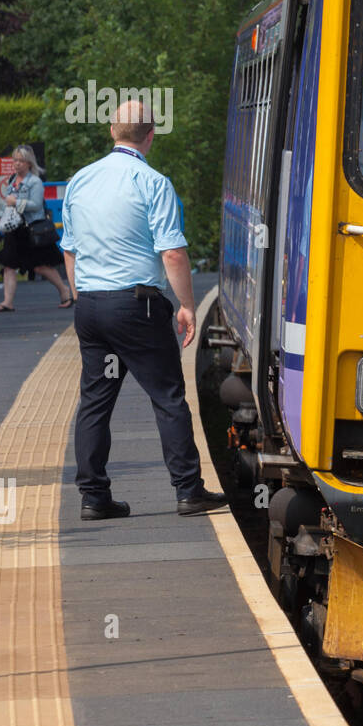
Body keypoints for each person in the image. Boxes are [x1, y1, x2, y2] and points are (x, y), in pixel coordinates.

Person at [60, 100, 225, 521]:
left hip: (92, 307)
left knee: (95, 401)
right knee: (167, 396)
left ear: (111, 132)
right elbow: (172, 253)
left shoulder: (79, 180)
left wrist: (84, 298)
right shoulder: (152, 182)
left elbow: (70, 251)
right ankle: (188, 491)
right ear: (150, 135)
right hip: (137, 308)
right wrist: (186, 305)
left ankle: (93, 497)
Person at [0, 144, 73, 312]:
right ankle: (7, 302)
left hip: (31, 230)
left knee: (40, 266)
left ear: (29, 163)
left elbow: (36, 205)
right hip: (15, 230)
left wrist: (17, 202)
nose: (17, 164)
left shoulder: (35, 182)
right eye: (15, 160)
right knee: (8, 265)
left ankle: (65, 291)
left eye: (21, 160)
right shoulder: (12, 181)